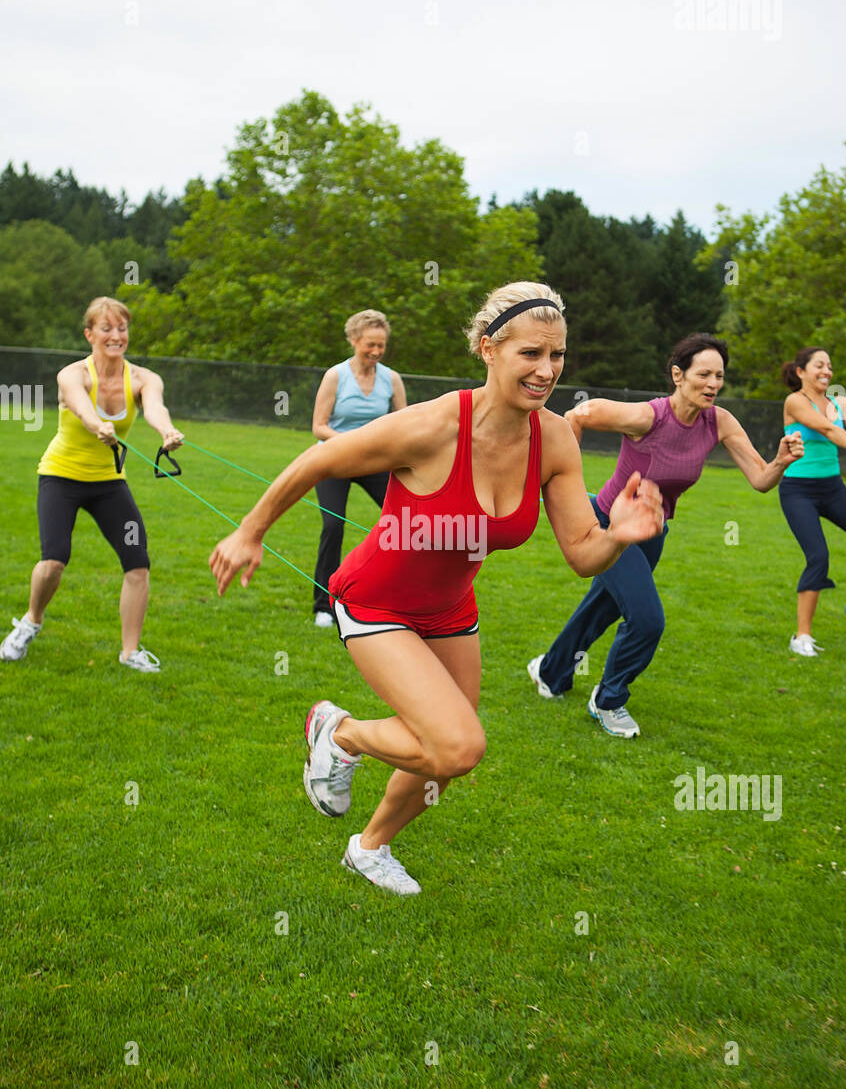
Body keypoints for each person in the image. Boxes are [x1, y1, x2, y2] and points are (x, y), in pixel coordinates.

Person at [209, 282, 664, 896]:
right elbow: (318, 461)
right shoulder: (431, 426)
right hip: (375, 602)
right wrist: (250, 531)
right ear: (488, 349)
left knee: (442, 758)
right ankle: (338, 733)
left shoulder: (554, 439)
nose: (547, 370)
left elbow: (583, 553)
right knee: (456, 746)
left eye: (557, 356)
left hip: (450, 609)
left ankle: (369, 848)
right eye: (531, 353)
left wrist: (620, 535)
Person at [526, 333, 805, 736]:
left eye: (719, 376)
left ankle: (551, 671)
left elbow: (761, 480)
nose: (713, 384)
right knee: (646, 620)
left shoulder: (719, 422)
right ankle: (608, 701)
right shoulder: (648, 417)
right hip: (610, 521)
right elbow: (580, 414)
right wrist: (567, 488)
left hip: (653, 531)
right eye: (704, 374)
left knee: (603, 608)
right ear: (678, 374)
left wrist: (780, 460)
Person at [0, 296, 184, 671]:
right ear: (90, 334)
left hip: (108, 484)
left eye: (122, 328)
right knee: (54, 561)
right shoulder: (73, 374)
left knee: (137, 564)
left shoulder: (145, 378)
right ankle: (31, 621)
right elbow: (79, 404)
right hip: (60, 478)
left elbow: (155, 407)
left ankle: (130, 652)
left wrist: (167, 430)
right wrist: (96, 423)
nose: (116, 335)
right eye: (107, 328)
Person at [310, 309, 407, 627]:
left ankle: (390, 593)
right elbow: (319, 427)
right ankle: (324, 606)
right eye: (370, 345)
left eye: (381, 345)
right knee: (333, 527)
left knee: (404, 524)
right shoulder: (336, 376)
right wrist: (352, 442)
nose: (376, 352)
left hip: (374, 461)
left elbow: (404, 423)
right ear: (354, 340)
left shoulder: (391, 379)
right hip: (334, 459)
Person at [778, 346, 846, 655]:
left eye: (829, 365)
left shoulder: (840, 402)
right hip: (799, 491)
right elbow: (827, 429)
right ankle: (801, 637)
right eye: (819, 365)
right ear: (801, 371)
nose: (826, 371)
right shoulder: (795, 402)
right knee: (818, 557)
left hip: (834, 489)